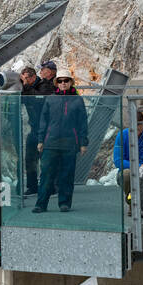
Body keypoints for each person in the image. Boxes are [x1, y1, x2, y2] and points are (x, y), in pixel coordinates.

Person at [32, 69, 88, 213]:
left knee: (67, 175)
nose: (63, 83)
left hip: (70, 143)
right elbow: (43, 121)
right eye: (61, 81)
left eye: (66, 80)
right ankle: (41, 204)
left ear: (71, 82)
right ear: (57, 83)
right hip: (51, 142)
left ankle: (64, 203)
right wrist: (40, 140)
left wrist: (83, 143)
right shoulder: (50, 99)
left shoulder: (78, 100)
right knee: (46, 174)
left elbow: (82, 123)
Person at [19, 65, 54, 196]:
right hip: (34, 129)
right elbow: (21, 99)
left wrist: (26, 86)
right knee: (30, 158)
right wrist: (21, 86)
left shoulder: (45, 85)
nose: (25, 81)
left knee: (45, 159)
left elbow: (39, 99)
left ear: (34, 77)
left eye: (27, 78)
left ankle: (49, 186)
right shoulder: (26, 87)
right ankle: (32, 186)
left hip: (46, 129)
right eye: (23, 79)